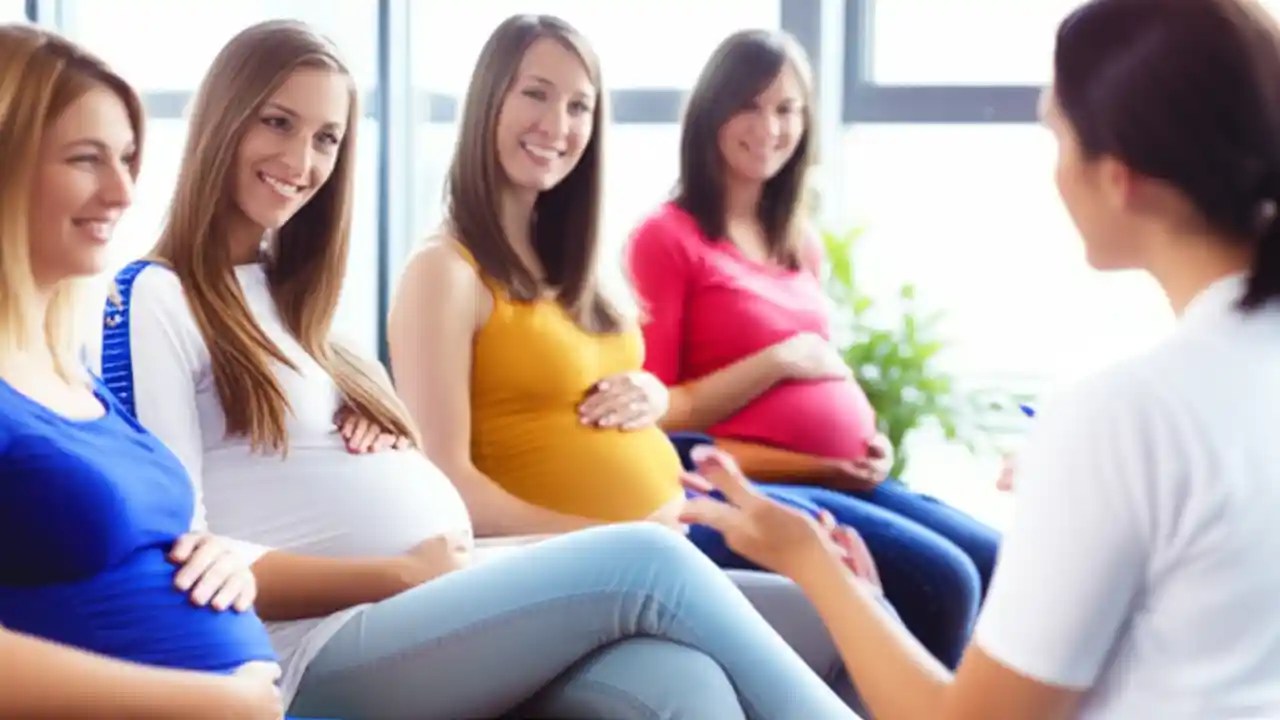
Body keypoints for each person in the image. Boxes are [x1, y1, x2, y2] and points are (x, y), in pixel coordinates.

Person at [100, 19, 862, 720]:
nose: (302, 162)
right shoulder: (159, 297)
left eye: (328, 139)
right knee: (650, 558)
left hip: (435, 590)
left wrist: (379, 435)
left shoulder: (293, 303)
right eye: (278, 122)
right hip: (316, 643)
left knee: (677, 681)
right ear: (222, 119)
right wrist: (396, 574)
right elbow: (181, 556)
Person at [681, 0, 1280, 717]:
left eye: (1057, 136)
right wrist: (1095, 495)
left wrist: (811, 563)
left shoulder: (1124, 416)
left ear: (1120, 175)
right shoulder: (1196, 396)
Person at [388, 14, 867, 708]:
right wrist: (620, 540)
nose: (557, 123)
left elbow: (600, 387)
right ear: (490, 97)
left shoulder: (578, 265)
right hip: (583, 570)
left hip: (668, 538)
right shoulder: (446, 269)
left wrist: (650, 400)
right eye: (536, 93)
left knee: (849, 608)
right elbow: (447, 488)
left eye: (579, 105)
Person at [619, 28, 997, 668]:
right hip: (741, 476)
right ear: (713, 109)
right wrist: (778, 362)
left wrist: (864, 447)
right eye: (751, 104)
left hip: (848, 476)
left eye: (787, 109)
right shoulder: (667, 237)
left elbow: (819, 382)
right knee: (948, 581)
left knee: (1001, 561)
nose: (769, 126)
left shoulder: (798, 243)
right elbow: (662, 413)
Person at [0, 24, 282, 720]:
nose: (123, 192)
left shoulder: (72, 368)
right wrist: (209, 703)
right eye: (86, 159)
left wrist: (214, 556)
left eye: (127, 158)